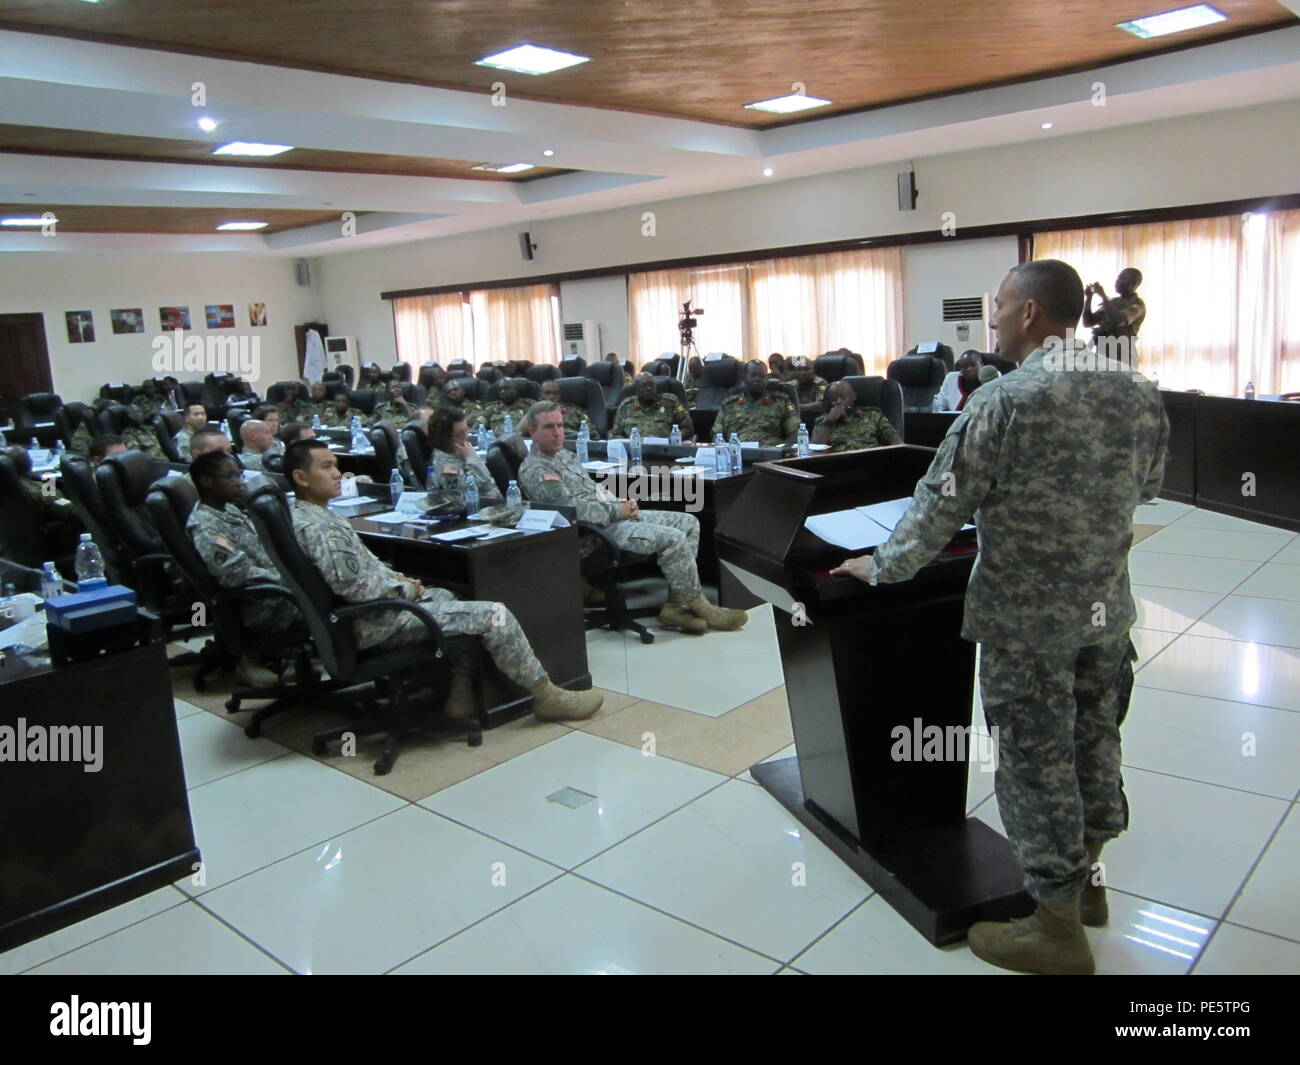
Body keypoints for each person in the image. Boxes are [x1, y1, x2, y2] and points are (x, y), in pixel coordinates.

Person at [831, 259, 1168, 976]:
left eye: (1000, 306)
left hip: (1025, 621)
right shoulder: (1138, 390)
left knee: (1035, 759)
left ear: (1031, 314)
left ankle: (1054, 927)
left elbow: (940, 504)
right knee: (1094, 741)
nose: (992, 319)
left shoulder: (1006, 399)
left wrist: (882, 565)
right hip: (1105, 612)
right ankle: (1086, 886)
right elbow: (1149, 488)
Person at [285, 439, 601, 721]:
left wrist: (396, 577)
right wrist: (405, 588)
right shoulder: (320, 528)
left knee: (449, 597)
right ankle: (546, 696)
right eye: (326, 467)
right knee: (496, 615)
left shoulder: (307, 516)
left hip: (365, 617)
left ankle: (459, 692)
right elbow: (352, 587)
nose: (337, 473)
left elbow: (357, 572)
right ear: (301, 477)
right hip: (377, 622)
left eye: (336, 465)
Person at [520, 402, 746, 634]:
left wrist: (621, 502)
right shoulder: (536, 470)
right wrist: (617, 510)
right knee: (674, 538)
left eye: (560, 425)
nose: (558, 432)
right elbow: (571, 511)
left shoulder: (564, 456)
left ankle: (676, 606)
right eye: (549, 427)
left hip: (611, 519)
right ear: (533, 431)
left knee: (689, 523)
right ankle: (702, 606)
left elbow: (593, 489)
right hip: (591, 536)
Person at [186, 450, 296, 685]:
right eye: (231, 476)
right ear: (207, 481)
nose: (240, 482)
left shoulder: (227, 509)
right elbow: (235, 576)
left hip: (274, 588)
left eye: (240, 475)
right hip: (263, 604)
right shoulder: (207, 527)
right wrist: (287, 578)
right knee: (332, 594)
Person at [4, 445, 83, 555]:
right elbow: (72, 511)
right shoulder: (42, 490)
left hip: (13, 547)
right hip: (54, 542)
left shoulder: (7, 486)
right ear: (29, 463)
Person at [713, 361, 801, 447]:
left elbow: (795, 432)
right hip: (736, 452)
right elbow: (717, 434)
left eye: (761, 376)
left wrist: (782, 451)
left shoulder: (781, 402)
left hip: (769, 452)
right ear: (744, 378)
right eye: (753, 375)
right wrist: (723, 451)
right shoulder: (729, 405)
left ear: (767, 379)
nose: (757, 379)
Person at [423, 407, 493, 512]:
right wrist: (471, 457)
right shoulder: (445, 464)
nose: (465, 438)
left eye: (466, 431)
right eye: (460, 434)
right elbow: (480, 488)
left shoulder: (458, 452)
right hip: (482, 507)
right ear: (444, 437)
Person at [811, 381, 901, 451]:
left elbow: (897, 443)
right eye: (834, 399)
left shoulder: (873, 416)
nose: (838, 401)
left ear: (854, 396)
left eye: (843, 397)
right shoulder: (823, 421)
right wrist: (828, 423)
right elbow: (815, 451)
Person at [1082, 268, 1145, 361]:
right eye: (1118, 277)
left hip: (1123, 359)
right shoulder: (1113, 302)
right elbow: (1088, 322)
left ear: (1133, 284)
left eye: (1122, 278)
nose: (1117, 281)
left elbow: (1120, 320)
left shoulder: (1137, 304)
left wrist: (1103, 296)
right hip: (1103, 357)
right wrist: (1089, 298)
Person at [611, 373, 694, 440]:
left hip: (665, 450)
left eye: (652, 385)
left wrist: (674, 438)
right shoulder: (626, 406)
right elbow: (616, 434)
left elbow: (688, 428)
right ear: (636, 391)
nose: (649, 388)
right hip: (634, 451)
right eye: (644, 386)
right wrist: (627, 445)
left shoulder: (671, 402)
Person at [520, 379, 593, 435]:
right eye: (547, 393)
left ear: (560, 396)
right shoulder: (532, 410)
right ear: (540, 396)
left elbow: (592, 433)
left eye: (555, 393)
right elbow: (520, 432)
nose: (552, 396)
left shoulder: (574, 410)